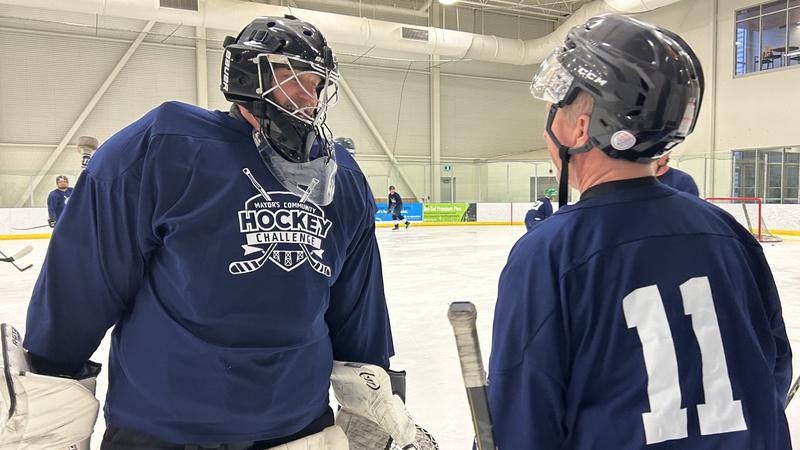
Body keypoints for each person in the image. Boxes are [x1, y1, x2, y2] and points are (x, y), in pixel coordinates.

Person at [14, 15, 434, 450]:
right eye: (289, 78)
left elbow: (358, 309)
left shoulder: (340, 178)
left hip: (298, 430)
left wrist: (376, 397)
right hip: (163, 433)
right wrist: (51, 383)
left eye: (314, 83)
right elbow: (82, 285)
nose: (306, 98)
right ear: (247, 76)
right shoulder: (164, 147)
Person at [488, 14, 792, 449]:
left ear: (580, 126)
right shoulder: (730, 235)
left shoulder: (549, 253)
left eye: (557, 102)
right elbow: (775, 369)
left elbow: (524, 420)